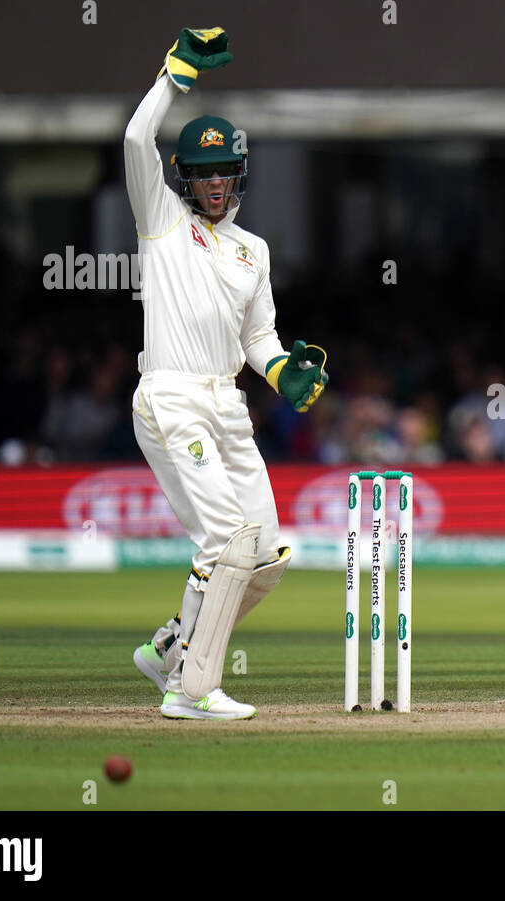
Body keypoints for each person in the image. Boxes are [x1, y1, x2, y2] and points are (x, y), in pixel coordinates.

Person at [124, 28, 329, 719]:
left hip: (225, 402)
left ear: (239, 175)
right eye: (203, 173)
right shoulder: (161, 223)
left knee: (265, 554)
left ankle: (170, 650)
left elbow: (259, 338)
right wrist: (173, 78)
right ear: (185, 177)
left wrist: (283, 374)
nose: (214, 183)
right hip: (170, 396)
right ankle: (193, 691)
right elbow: (132, 141)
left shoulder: (253, 250)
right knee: (224, 542)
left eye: (225, 172)